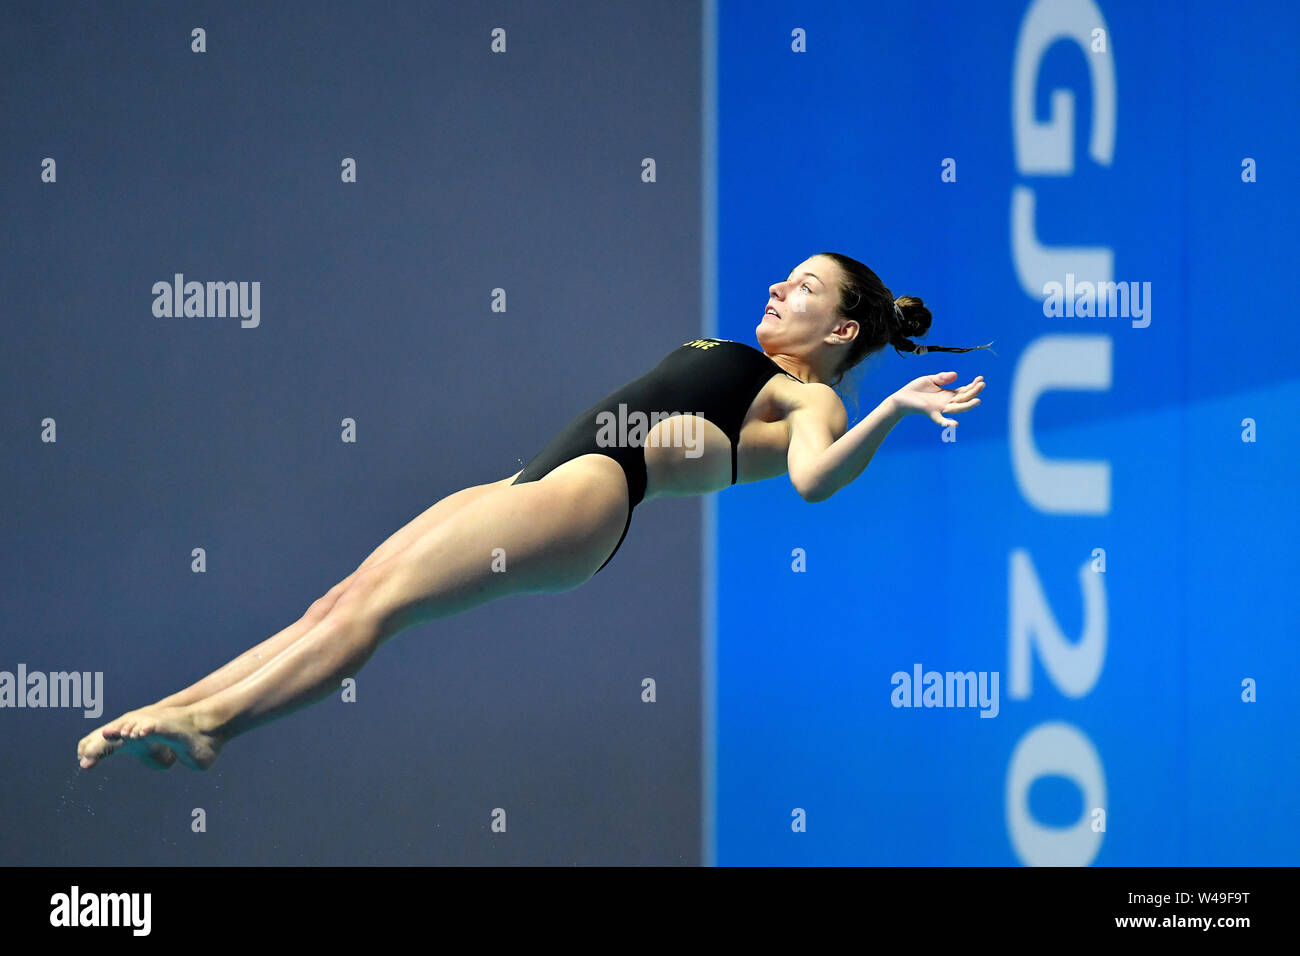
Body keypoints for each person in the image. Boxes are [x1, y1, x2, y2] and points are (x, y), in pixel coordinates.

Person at [76, 252, 990, 771]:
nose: (777, 290)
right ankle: (180, 706)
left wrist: (894, 408)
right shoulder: (756, 374)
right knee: (341, 599)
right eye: (784, 278)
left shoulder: (809, 399)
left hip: (590, 493)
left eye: (802, 290)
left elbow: (814, 480)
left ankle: (215, 727)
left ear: (839, 332)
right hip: (541, 480)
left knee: (376, 610)